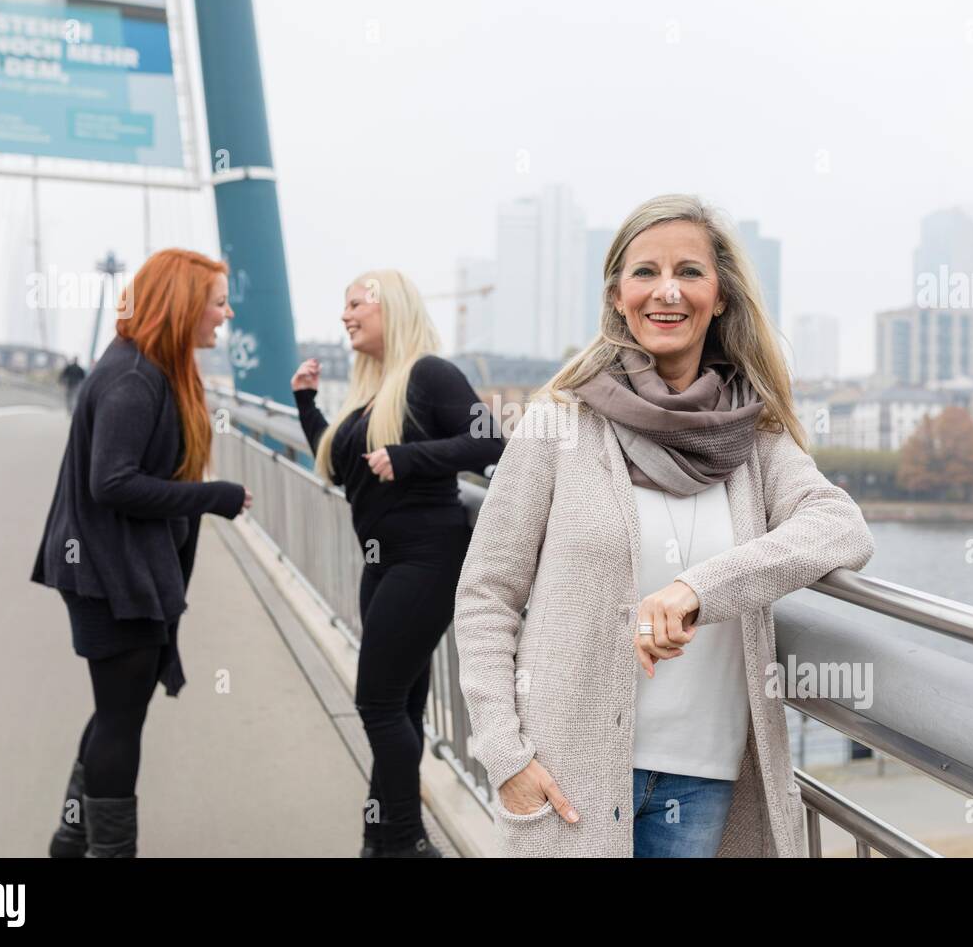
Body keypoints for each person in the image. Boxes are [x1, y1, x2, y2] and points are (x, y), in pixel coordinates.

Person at [454, 193, 876, 857]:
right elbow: (486, 594)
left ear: (721, 296)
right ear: (618, 296)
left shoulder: (756, 435)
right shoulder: (559, 424)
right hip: (568, 775)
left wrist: (698, 590)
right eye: (645, 272)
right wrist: (505, 756)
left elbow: (840, 526)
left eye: (689, 271)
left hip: (700, 779)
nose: (666, 291)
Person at [31, 248, 252, 858]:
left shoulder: (145, 368)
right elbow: (113, 482)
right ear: (183, 305)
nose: (225, 314)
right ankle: (106, 850)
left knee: (116, 712)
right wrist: (214, 496)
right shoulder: (133, 378)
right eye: (217, 302)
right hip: (109, 573)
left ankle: (73, 836)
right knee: (122, 721)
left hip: (117, 568)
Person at [292, 269, 504, 857]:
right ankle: (379, 840)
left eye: (356, 302)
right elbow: (338, 467)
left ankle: (408, 843)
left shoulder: (429, 375)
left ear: (393, 310)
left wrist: (410, 458)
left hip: (427, 558)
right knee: (401, 706)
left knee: (377, 705)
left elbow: (492, 445)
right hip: (381, 562)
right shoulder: (369, 390)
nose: (345, 315)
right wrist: (306, 404)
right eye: (344, 305)